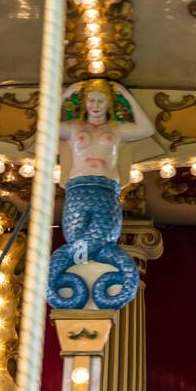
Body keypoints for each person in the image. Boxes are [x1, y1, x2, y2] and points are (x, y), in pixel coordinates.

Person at [48, 79, 153, 310]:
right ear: (84, 102)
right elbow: (44, 123)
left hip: (106, 191)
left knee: (97, 242)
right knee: (78, 243)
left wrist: (125, 93)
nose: (95, 105)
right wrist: (65, 95)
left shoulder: (115, 130)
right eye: (91, 99)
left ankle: (83, 286)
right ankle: (77, 283)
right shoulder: (74, 128)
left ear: (109, 103)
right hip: (77, 189)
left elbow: (147, 129)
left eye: (101, 100)